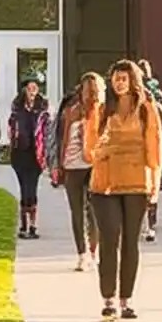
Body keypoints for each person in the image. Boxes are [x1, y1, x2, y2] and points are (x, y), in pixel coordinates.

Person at [85, 60, 162, 320]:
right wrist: (106, 150)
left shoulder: (146, 110)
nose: (119, 83)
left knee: (131, 242)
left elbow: (154, 148)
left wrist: (154, 184)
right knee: (110, 237)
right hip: (104, 184)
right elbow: (90, 150)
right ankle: (108, 297)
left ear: (133, 81)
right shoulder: (102, 110)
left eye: (124, 78)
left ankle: (126, 300)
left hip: (137, 182)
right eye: (116, 78)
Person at [47, 73, 104, 271]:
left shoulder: (103, 111)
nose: (91, 94)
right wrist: (55, 164)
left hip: (94, 166)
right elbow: (57, 136)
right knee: (77, 211)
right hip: (72, 166)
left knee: (94, 211)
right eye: (88, 89)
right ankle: (82, 253)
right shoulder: (69, 109)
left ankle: (93, 250)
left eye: (95, 90)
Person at [136, 59, 162, 241]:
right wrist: (161, 139)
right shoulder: (157, 94)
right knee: (153, 187)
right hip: (154, 146)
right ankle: (151, 224)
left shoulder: (137, 96)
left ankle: (143, 223)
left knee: (140, 187)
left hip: (139, 146)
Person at [8, 73, 50, 240]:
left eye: (35, 88)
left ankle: (32, 225)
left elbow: (47, 130)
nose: (32, 91)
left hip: (36, 155)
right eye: (30, 88)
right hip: (20, 154)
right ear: (24, 90)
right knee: (24, 188)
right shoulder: (17, 108)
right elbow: (12, 128)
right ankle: (24, 224)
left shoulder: (43, 108)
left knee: (31, 189)